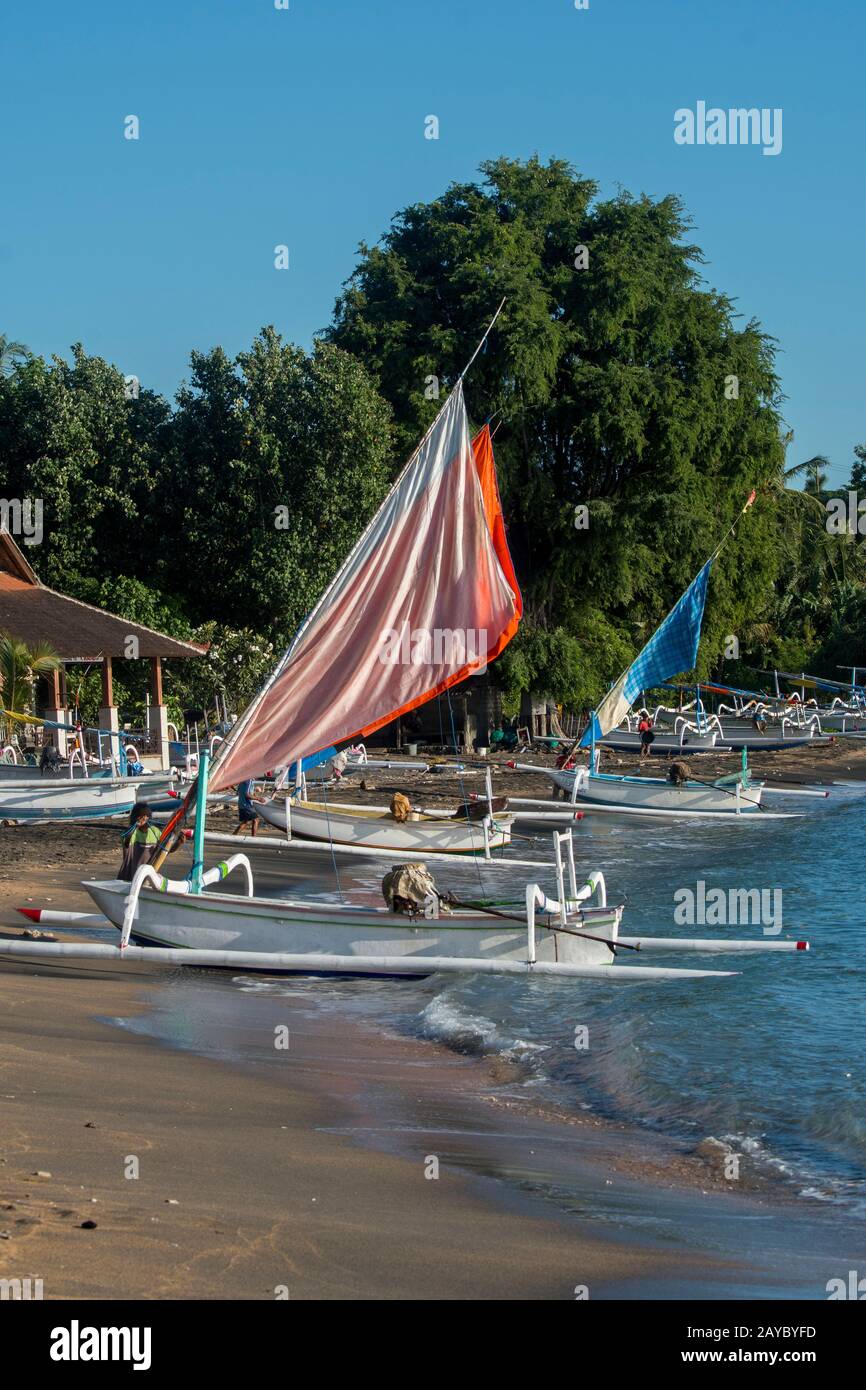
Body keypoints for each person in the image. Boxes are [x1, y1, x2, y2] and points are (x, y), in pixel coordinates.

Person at [118, 802, 160, 881]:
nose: (144, 818)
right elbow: (127, 843)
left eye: (146, 816)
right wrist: (135, 826)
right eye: (141, 815)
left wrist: (179, 842)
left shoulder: (155, 831)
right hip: (130, 876)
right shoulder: (130, 831)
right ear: (135, 816)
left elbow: (168, 849)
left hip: (149, 878)